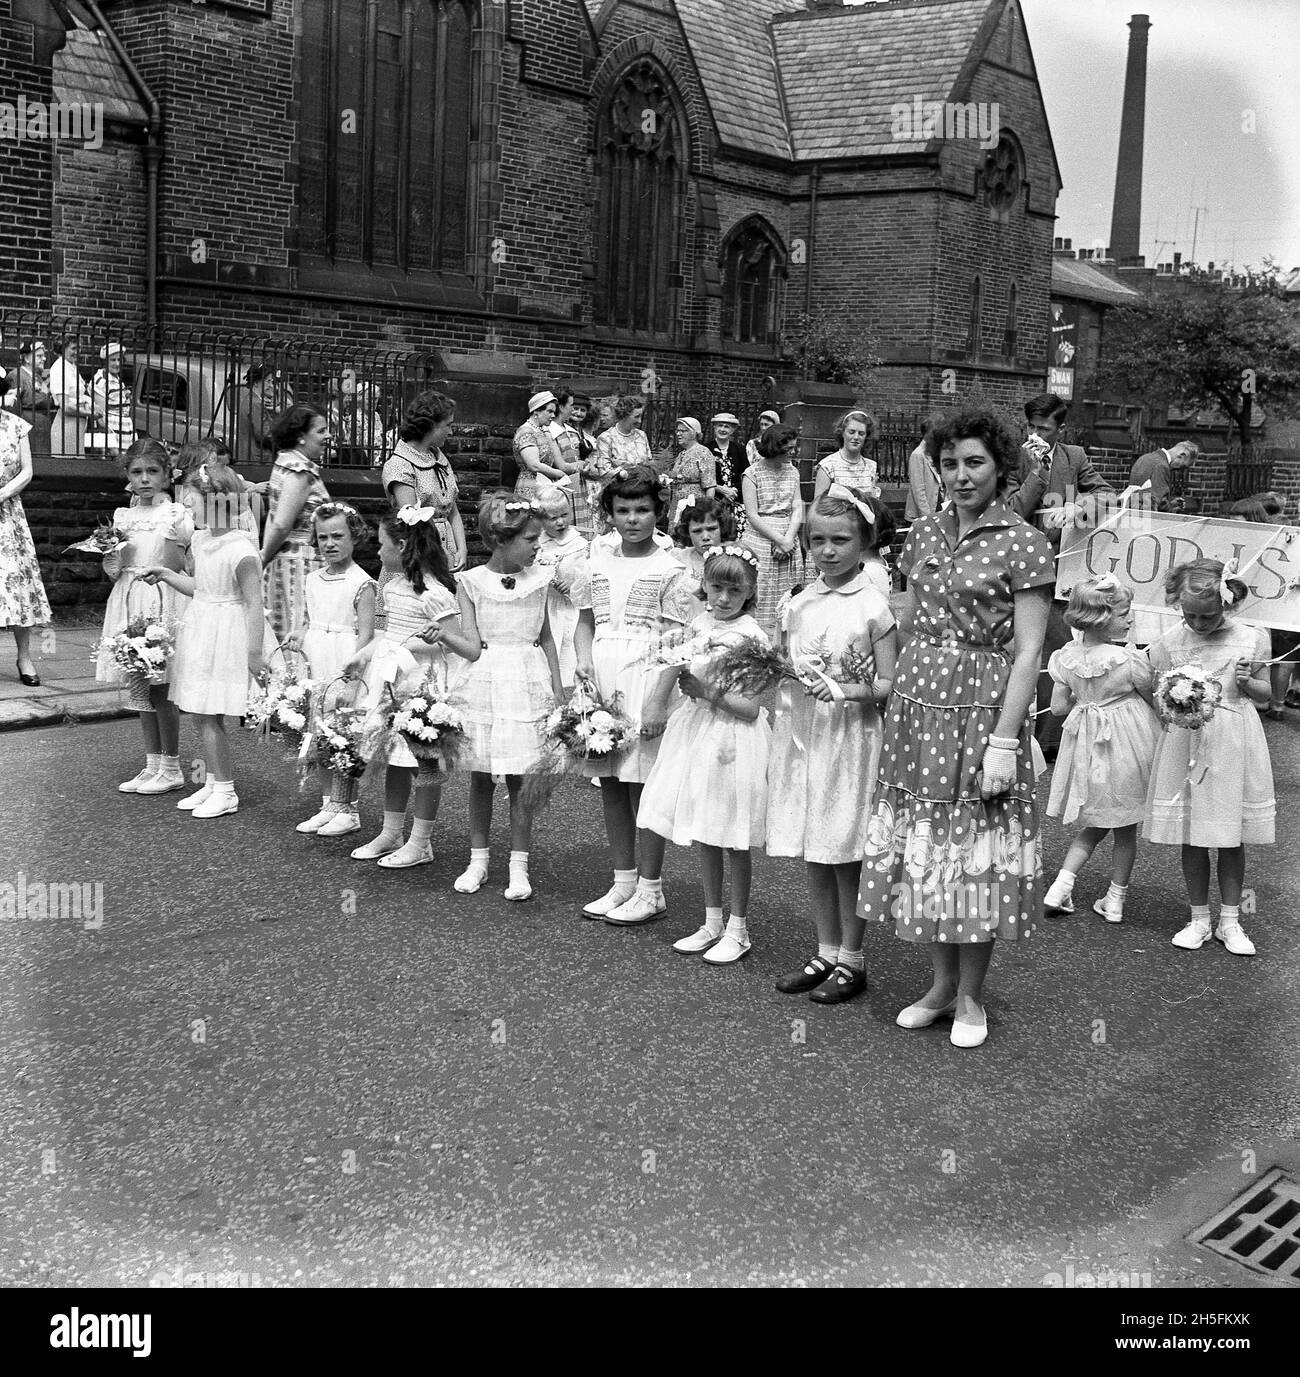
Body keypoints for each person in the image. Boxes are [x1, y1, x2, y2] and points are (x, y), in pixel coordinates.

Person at [858, 406, 1054, 1049]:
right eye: (950, 464)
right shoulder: (921, 534)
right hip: (918, 708)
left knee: (973, 853)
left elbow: (1029, 652)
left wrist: (1005, 740)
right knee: (927, 848)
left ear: (1001, 468)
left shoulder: (1023, 541)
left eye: (975, 463)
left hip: (980, 710)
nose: (962, 475)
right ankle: (940, 987)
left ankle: (972, 996)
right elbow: (907, 620)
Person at [768, 487, 898, 1005]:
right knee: (815, 852)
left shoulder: (874, 606)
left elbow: (889, 683)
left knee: (845, 852)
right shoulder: (799, 602)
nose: (827, 550)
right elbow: (787, 663)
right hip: (807, 738)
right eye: (817, 540)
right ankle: (825, 949)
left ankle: (853, 958)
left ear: (863, 540)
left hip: (851, 738)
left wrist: (844, 690)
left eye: (840, 540)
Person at [640, 546, 772, 965]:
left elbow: (751, 707)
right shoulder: (698, 624)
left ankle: (739, 927)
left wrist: (705, 690)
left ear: (750, 591)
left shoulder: (753, 637)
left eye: (735, 590)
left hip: (733, 740)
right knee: (706, 831)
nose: (724, 598)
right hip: (698, 733)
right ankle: (711, 920)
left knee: (733, 837)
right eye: (716, 587)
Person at [573, 465, 693, 924]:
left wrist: (659, 699)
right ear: (609, 513)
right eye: (623, 510)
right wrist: (582, 661)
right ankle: (622, 881)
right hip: (603, 676)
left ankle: (651, 887)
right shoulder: (596, 561)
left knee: (643, 786)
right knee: (610, 782)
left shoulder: (670, 567)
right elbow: (585, 621)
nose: (633, 519)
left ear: (658, 511)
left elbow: (678, 638)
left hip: (645, 676)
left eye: (642, 509)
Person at [1144, 559, 1274, 957]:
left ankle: (1231, 921)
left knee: (1230, 835)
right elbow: (1158, 693)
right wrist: (1170, 701)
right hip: (1187, 741)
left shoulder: (1253, 637)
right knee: (1193, 833)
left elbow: (1267, 697)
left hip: (1234, 738)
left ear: (1228, 603)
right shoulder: (1169, 641)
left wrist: (1249, 681)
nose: (1198, 624)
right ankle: (1198, 917)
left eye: (1208, 615)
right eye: (1190, 615)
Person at [451, 493, 571, 902]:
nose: (538, 545)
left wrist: (558, 690)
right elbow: (471, 642)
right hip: (487, 680)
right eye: (531, 538)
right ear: (502, 539)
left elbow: (547, 638)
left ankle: (518, 866)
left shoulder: (539, 580)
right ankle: (478, 860)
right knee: (481, 775)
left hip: (527, 680)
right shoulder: (470, 582)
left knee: (521, 778)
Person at [345, 511, 480, 867]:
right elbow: (388, 636)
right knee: (395, 759)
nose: (377, 552)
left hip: (422, 685)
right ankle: (392, 832)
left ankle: (421, 842)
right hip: (392, 682)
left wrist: (419, 645)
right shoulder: (390, 586)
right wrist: (362, 657)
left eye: (382, 544)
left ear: (402, 546)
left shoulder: (435, 593)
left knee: (425, 764)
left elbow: (453, 643)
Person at [143, 465, 277, 819]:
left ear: (218, 501)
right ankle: (214, 783)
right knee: (201, 711)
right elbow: (202, 588)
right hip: (203, 625)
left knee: (208, 714)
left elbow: (253, 604)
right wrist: (169, 575)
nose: (188, 504)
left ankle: (227, 791)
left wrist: (253, 653)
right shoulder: (202, 540)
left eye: (195, 499)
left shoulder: (242, 549)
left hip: (228, 633)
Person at [1042, 576, 1160, 923]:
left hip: (1087, 748)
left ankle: (1061, 885)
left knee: (1095, 819)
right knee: (1125, 827)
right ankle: (1115, 899)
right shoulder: (1129, 660)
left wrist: (1086, 698)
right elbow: (1153, 701)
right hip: (1129, 746)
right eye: (1124, 613)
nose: (1130, 619)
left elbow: (1059, 710)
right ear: (1101, 616)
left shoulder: (1064, 658)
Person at [1007, 393, 1114, 763]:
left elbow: (1106, 494)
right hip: (1015, 565)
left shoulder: (1075, 456)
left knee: (1053, 650)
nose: (1035, 433)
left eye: (1044, 428)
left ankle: (1047, 740)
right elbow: (1014, 509)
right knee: (1014, 651)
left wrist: (1078, 506)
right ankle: (1006, 731)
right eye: (1031, 427)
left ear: (1060, 429)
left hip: (1058, 569)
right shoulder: (1013, 456)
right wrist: (1035, 471)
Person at [98, 439, 194, 795]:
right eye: (136, 472)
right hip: (128, 596)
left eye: (153, 471)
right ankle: (152, 763)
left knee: (161, 688)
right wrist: (111, 556)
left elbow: (174, 566)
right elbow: (115, 568)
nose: (144, 479)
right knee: (139, 687)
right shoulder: (123, 517)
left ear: (168, 475)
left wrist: (173, 539)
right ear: (127, 476)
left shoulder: (175, 515)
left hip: (159, 598)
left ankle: (172, 766)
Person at [285, 503, 377, 838]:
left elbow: (366, 635)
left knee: (343, 735)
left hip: (344, 661)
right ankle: (329, 803)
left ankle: (348, 808)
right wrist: (301, 635)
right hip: (317, 659)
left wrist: (353, 680)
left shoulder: (362, 583)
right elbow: (312, 622)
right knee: (319, 732)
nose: (330, 543)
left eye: (338, 536)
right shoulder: (312, 579)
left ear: (355, 536)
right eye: (323, 537)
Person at [260, 403, 332, 641]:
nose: (328, 436)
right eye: (321, 431)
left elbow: (273, 518)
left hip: (286, 562)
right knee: (299, 632)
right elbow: (281, 523)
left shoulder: (285, 463)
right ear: (301, 436)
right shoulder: (300, 471)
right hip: (300, 564)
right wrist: (263, 557)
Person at [381, 390, 467, 572]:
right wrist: (443, 555)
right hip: (421, 551)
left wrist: (462, 549)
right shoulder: (400, 465)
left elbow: (452, 511)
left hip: (448, 548)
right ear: (430, 426)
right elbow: (415, 520)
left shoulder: (439, 458)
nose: (451, 431)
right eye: (448, 425)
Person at [0, 390, 53, 684]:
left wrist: (3, 493)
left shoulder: (17, 426)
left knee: (16, 583)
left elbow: (27, 471)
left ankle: (24, 657)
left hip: (7, 516)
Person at [741, 424, 805, 638]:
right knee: (762, 593)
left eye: (795, 448)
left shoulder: (793, 471)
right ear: (774, 447)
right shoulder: (751, 474)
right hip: (761, 541)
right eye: (789, 448)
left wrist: (788, 539)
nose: (794, 452)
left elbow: (797, 506)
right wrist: (779, 539)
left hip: (789, 537)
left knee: (787, 596)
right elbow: (752, 515)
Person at [535, 486, 589, 691]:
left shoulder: (578, 544)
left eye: (564, 515)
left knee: (567, 644)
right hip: (546, 605)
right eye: (552, 518)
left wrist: (573, 584)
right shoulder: (538, 543)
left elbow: (587, 576)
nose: (560, 522)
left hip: (569, 606)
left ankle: (568, 685)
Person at [668, 491, 735, 601]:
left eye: (712, 529)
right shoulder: (679, 559)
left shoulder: (733, 557)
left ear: (722, 527)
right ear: (687, 532)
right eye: (697, 531)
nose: (705, 537)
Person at [511, 391, 568, 497]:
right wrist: (557, 473)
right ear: (536, 412)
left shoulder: (542, 431)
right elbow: (534, 465)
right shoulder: (526, 431)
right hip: (531, 485)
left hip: (544, 484)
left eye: (554, 412)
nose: (553, 415)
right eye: (549, 411)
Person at [814, 409, 881, 500]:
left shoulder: (871, 467)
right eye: (851, 432)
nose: (856, 437)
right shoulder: (827, 467)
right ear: (842, 433)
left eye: (861, 433)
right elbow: (818, 507)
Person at [87, 343, 136, 460]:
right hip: (113, 435)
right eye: (113, 360)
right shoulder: (101, 380)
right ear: (105, 361)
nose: (117, 363)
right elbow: (100, 415)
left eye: (119, 359)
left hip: (124, 433)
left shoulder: (115, 378)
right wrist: (111, 444)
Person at [48, 337, 94, 458]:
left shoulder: (71, 366)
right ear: (62, 349)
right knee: (68, 468)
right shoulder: (59, 368)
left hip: (76, 426)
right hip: (66, 426)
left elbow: (79, 395)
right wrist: (90, 413)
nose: (77, 352)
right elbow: (66, 406)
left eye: (79, 348)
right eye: (73, 348)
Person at [661, 416, 716, 514]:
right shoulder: (681, 454)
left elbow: (710, 486)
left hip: (695, 507)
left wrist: (707, 511)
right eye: (677, 431)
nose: (678, 434)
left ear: (694, 433)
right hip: (677, 506)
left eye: (683, 431)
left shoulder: (703, 453)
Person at [1129, 439, 1200, 512]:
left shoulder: (1144, 457)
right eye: (1183, 466)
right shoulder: (1162, 465)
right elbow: (1159, 503)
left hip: (1132, 512)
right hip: (1146, 517)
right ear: (1182, 455)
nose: (1179, 469)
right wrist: (1172, 507)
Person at [709, 412, 751, 530]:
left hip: (735, 500)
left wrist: (733, 490)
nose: (722, 429)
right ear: (714, 427)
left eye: (726, 426)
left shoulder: (739, 450)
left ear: (733, 430)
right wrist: (721, 490)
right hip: (715, 501)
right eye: (720, 425)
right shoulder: (706, 449)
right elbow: (703, 477)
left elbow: (746, 475)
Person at [231, 365, 280, 467]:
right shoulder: (255, 404)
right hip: (255, 461)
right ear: (256, 383)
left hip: (248, 458)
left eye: (272, 382)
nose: (272, 385)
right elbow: (263, 434)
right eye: (268, 381)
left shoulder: (250, 401)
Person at [12, 340, 54, 458]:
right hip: (28, 430)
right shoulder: (17, 375)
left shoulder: (38, 377)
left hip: (41, 429)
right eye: (39, 356)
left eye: (43, 355)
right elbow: (14, 407)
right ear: (26, 358)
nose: (44, 358)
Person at [594, 395, 654, 475]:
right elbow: (604, 472)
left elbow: (649, 463)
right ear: (624, 416)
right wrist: (624, 472)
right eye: (636, 417)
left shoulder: (641, 435)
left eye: (641, 416)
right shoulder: (606, 438)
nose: (639, 421)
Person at [905, 420, 942, 522]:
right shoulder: (917, 455)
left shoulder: (934, 452)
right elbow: (918, 489)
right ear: (926, 435)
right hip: (921, 517)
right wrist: (927, 517)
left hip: (936, 509)